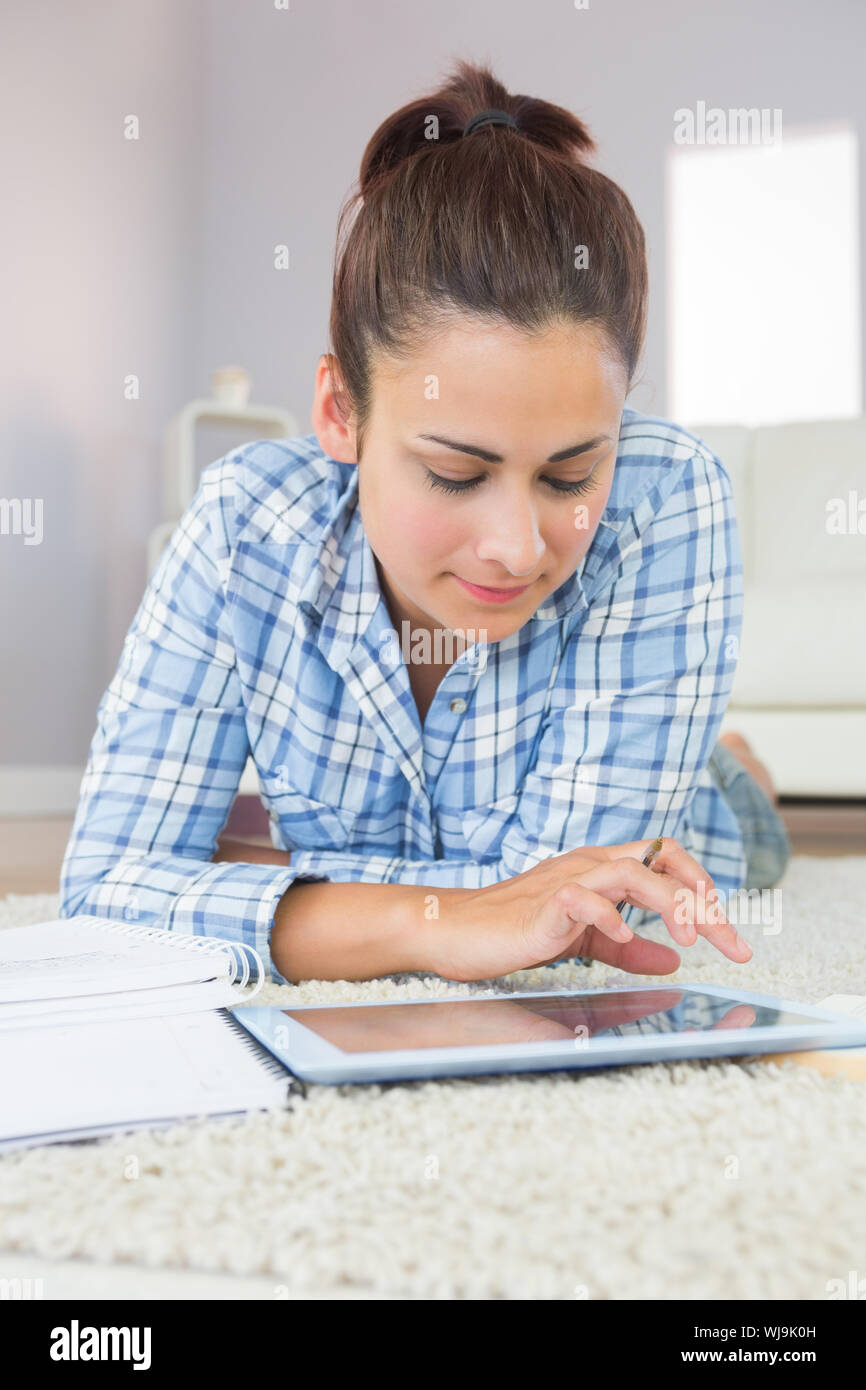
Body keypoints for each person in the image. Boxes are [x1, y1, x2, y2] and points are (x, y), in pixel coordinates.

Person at [59, 59, 791, 985]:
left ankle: (734, 771)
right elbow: (100, 894)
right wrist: (444, 921)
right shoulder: (246, 523)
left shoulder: (667, 496)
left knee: (749, 835)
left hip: (698, 828)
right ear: (340, 414)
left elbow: (567, 917)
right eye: (454, 473)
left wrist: (271, 887)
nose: (519, 548)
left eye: (572, 471)